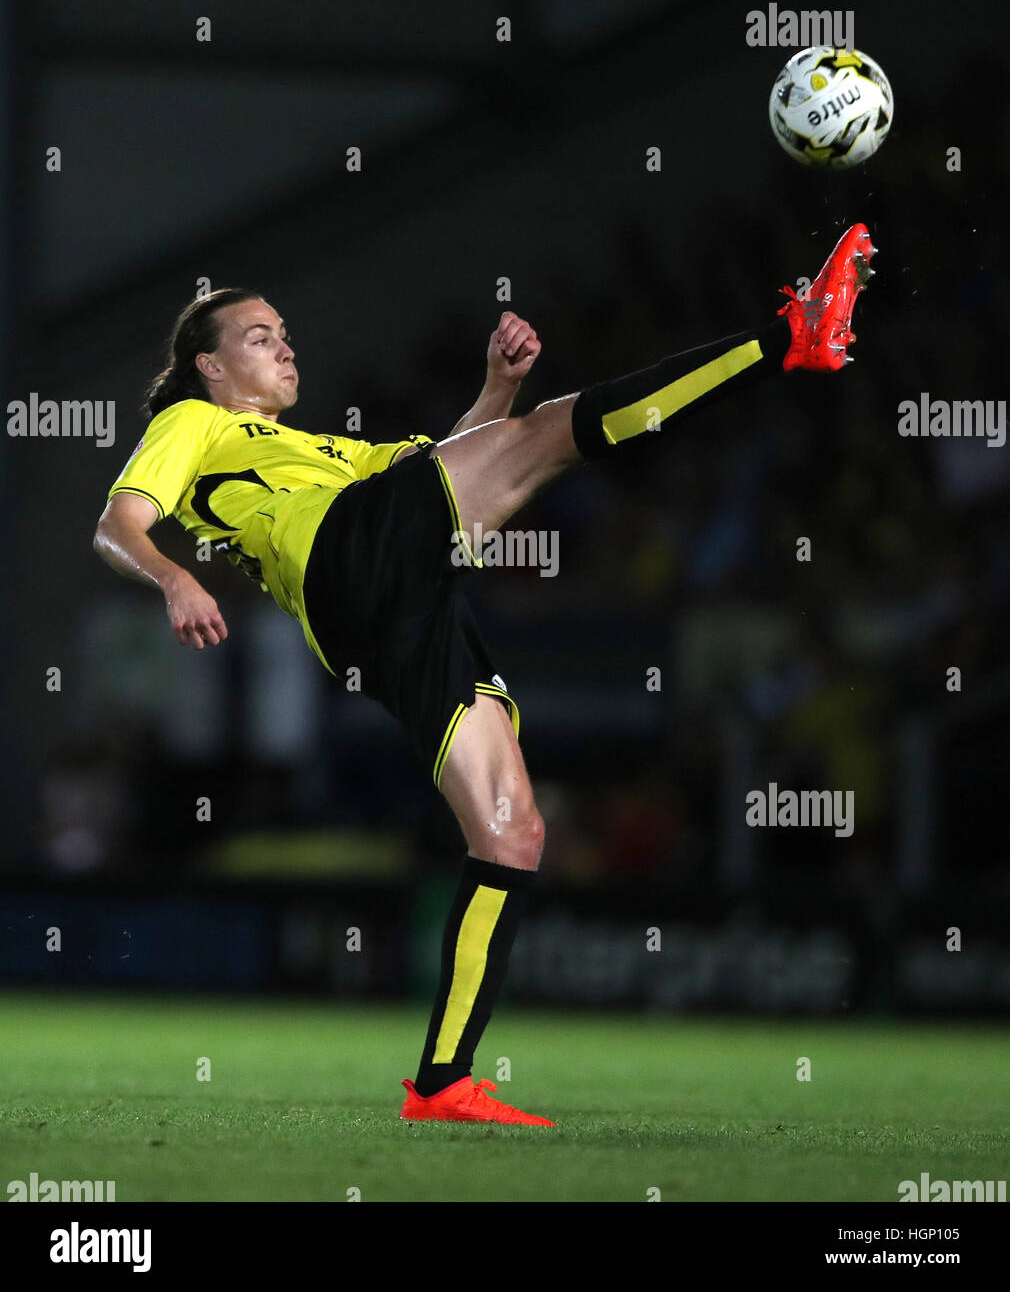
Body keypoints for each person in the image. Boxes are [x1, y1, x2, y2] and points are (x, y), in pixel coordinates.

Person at [94, 223, 877, 1126]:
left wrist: (497, 389)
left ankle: (441, 1083)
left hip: (387, 615)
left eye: (286, 332)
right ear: (208, 367)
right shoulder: (191, 422)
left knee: (512, 834)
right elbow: (119, 523)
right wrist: (175, 574)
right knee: (550, 437)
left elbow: (447, 472)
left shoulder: (323, 453)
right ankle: (791, 336)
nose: (285, 346)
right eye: (260, 337)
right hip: (347, 559)